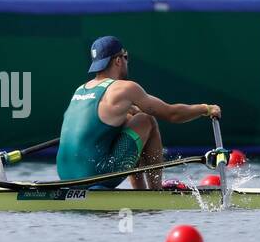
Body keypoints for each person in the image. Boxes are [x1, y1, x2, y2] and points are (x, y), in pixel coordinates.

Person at [56, 35, 221, 189]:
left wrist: (130, 111)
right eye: (126, 57)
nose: (127, 61)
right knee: (146, 120)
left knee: (129, 118)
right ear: (118, 60)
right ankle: (155, 192)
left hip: (65, 176)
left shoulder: (81, 89)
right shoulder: (124, 88)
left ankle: (140, 191)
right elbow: (172, 114)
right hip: (96, 175)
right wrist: (206, 109)